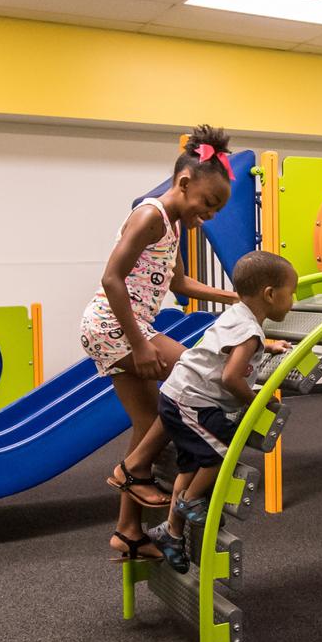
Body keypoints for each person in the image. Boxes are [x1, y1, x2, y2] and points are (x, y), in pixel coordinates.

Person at [81, 125, 241, 562]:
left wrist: (231, 295)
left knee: (146, 419)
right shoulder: (150, 214)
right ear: (184, 183)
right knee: (199, 374)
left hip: (121, 326)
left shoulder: (173, 226)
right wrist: (141, 343)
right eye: (207, 204)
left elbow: (181, 284)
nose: (207, 215)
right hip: (114, 325)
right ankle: (132, 469)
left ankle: (128, 532)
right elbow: (111, 279)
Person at [149, 250, 298, 572]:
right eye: (291, 293)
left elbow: (228, 344)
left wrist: (267, 345)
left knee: (189, 467)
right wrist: (257, 402)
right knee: (223, 450)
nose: (293, 300)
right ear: (270, 294)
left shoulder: (239, 315)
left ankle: (171, 532)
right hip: (191, 401)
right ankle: (189, 502)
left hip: (182, 397)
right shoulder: (249, 331)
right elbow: (231, 377)